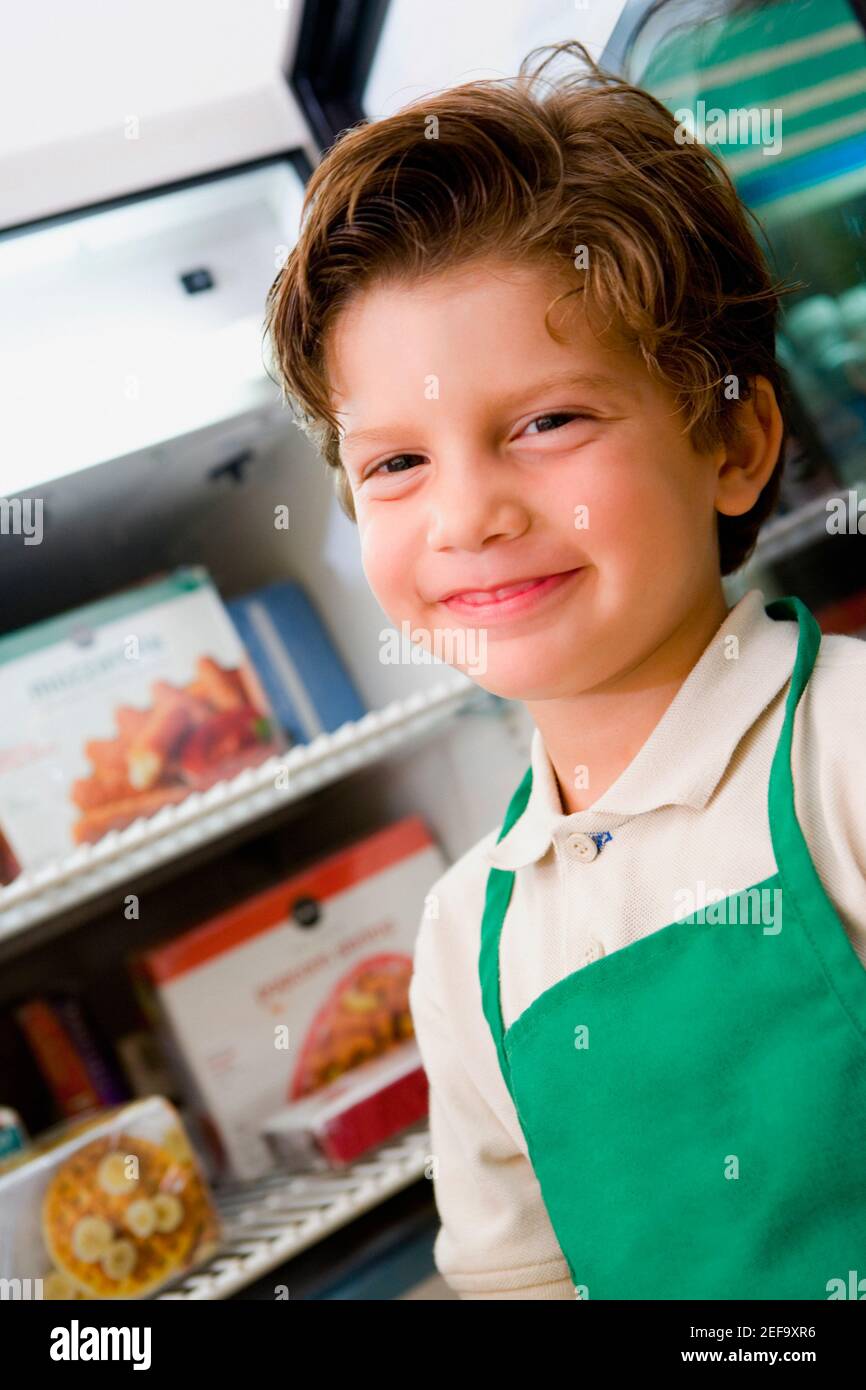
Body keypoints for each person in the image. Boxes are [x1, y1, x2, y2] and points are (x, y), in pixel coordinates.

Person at [263, 40, 866, 1300]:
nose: (467, 514)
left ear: (735, 442)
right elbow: (518, 1280)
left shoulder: (844, 757)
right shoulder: (465, 939)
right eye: (395, 464)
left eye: (546, 422)